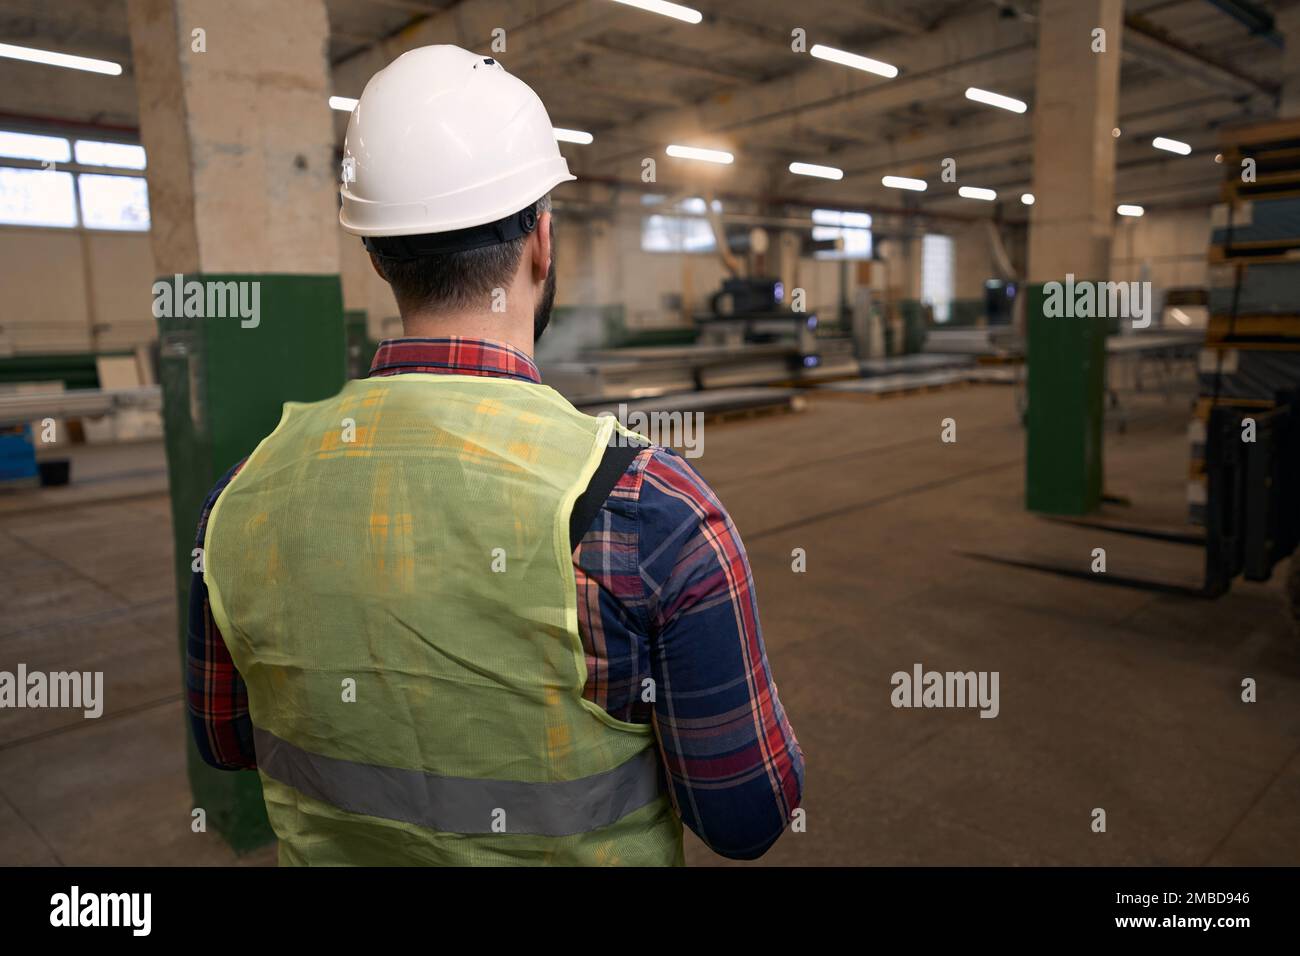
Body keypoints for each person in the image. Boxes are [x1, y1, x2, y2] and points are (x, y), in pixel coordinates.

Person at [187, 44, 802, 866]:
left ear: (376, 255)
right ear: (542, 243)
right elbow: (745, 817)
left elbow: (224, 742)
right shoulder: (654, 513)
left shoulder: (241, 497)